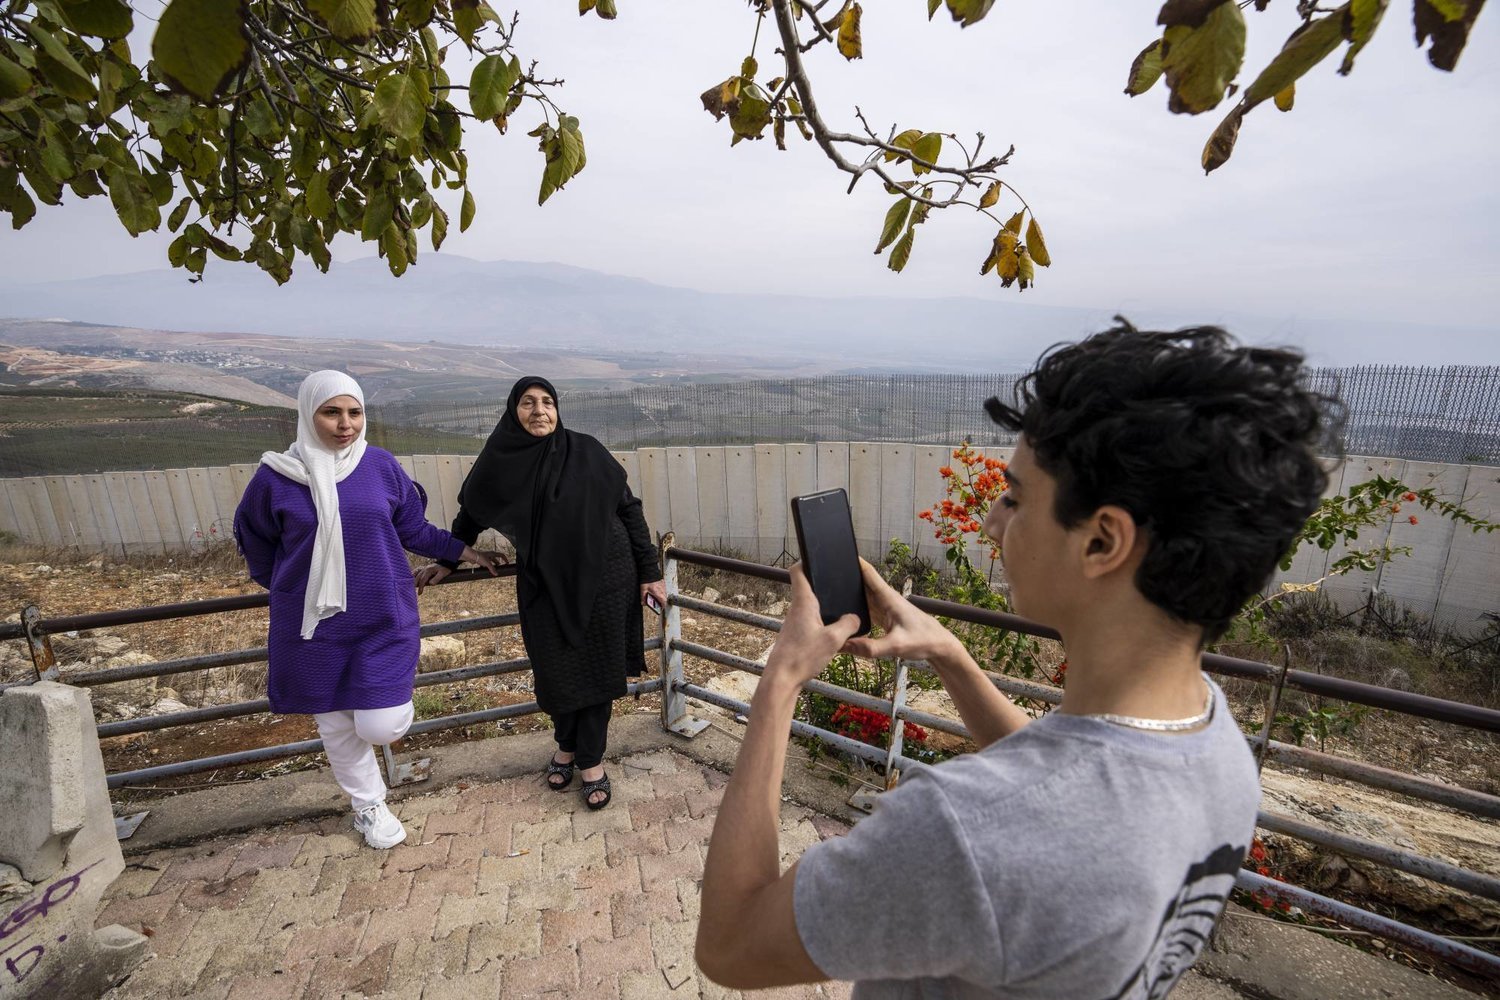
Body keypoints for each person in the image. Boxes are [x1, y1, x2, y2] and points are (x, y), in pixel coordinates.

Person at [695, 321, 1342, 998]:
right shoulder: (1217, 747)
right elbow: (1071, 780)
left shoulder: (965, 834)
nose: (991, 523)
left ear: (1102, 541)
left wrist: (780, 682)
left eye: (1016, 497)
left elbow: (731, 946)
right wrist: (950, 654)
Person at [234, 370, 500, 849]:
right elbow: (259, 552)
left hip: (383, 614)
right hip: (313, 625)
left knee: (381, 723)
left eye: (354, 412)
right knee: (336, 724)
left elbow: (413, 530)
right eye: (331, 412)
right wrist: (300, 590)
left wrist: (465, 553)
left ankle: (374, 755)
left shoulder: (378, 465)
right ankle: (369, 806)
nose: (345, 424)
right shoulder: (274, 479)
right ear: (307, 414)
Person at [415, 376, 666, 810]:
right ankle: (566, 745)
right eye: (528, 403)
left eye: (547, 402)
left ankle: (588, 761)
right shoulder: (499, 462)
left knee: (598, 675)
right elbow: (470, 513)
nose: (539, 411)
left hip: (607, 577)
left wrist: (650, 571)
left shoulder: (586, 451)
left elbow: (629, 509)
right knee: (556, 671)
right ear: (514, 410)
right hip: (543, 584)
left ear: (557, 409)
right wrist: (450, 559)